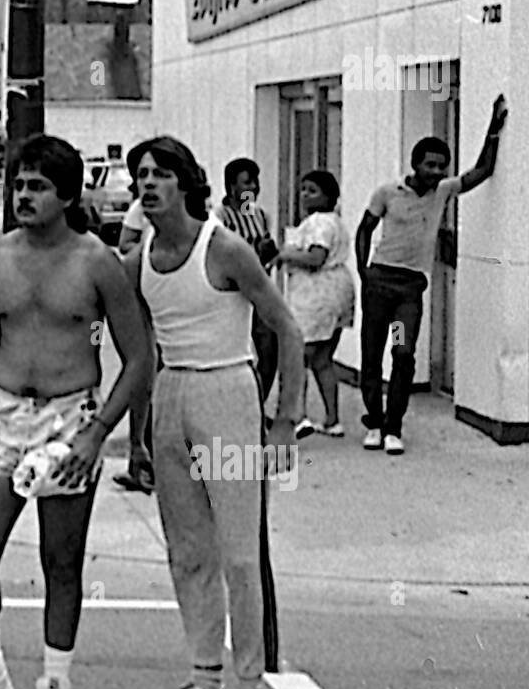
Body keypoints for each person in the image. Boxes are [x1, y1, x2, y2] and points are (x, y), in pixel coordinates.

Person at [0, 135, 153, 689]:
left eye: (37, 186)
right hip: (2, 416)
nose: (23, 196)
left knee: (61, 562)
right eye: (17, 184)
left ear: (67, 194)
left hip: (69, 417)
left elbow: (139, 358)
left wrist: (98, 433)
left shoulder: (97, 261)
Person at [125, 136, 304, 689]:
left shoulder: (223, 247)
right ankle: (205, 682)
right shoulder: (140, 257)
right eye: (141, 176)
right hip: (171, 398)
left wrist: (286, 419)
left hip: (228, 393)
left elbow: (287, 326)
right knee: (188, 553)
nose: (149, 185)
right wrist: (137, 435)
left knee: (239, 554)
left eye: (161, 175)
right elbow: (140, 351)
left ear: (186, 183)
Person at [355, 95, 507, 455]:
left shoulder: (443, 191)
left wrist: (494, 129)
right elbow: (365, 228)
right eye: (430, 165)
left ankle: (394, 426)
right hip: (380, 283)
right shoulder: (388, 192)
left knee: (402, 352)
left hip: (409, 290)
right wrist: (364, 271)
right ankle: (374, 422)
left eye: (442, 166)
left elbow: (481, 172)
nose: (437, 172)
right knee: (372, 355)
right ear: (415, 164)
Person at [272, 170, 355, 438]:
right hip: (338, 291)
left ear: (329, 196)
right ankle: (332, 419)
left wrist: (285, 254)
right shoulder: (335, 222)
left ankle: (298, 416)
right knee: (323, 359)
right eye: (304, 189)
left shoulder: (319, 223)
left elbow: (315, 257)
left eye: (313, 190)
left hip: (315, 294)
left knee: (298, 356)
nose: (305, 195)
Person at [216, 158, 280, 410]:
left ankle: (256, 405)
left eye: (255, 181)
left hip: (259, 289)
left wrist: (267, 253)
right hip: (231, 295)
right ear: (231, 186)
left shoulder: (261, 216)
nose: (253, 187)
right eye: (246, 182)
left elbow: (267, 251)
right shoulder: (221, 217)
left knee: (268, 348)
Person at [113, 140, 154, 492]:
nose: (150, 183)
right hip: (145, 303)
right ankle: (139, 451)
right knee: (143, 375)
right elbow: (125, 248)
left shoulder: (209, 228)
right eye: (143, 175)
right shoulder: (141, 212)